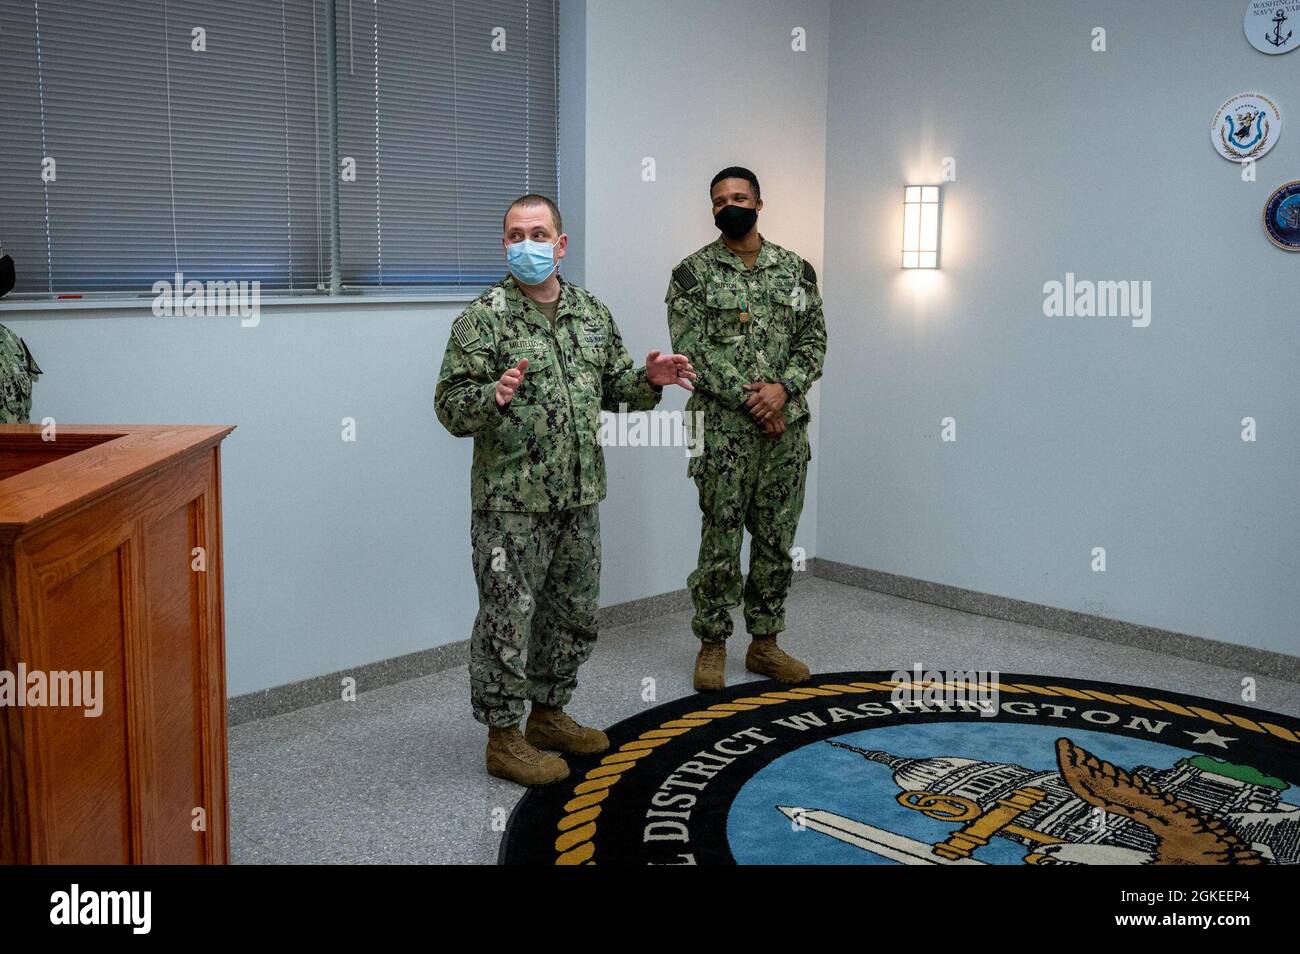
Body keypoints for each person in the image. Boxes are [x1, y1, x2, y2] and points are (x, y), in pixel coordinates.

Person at [436, 194, 695, 787]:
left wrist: (648, 381)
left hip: (580, 499)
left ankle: (548, 716)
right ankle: (503, 738)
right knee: (508, 620)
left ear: (561, 244)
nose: (526, 244)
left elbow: (616, 389)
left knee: (571, 615)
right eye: (514, 235)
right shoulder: (482, 319)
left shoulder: (592, 314)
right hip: (511, 506)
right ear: (504, 245)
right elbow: (449, 408)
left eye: (538, 232)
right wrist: (491, 397)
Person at [666, 166, 827, 691]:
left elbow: (814, 342)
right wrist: (758, 399)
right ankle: (712, 643)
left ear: (759, 202)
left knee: (778, 539)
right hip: (719, 431)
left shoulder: (797, 272)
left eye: (738, 197)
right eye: (718, 200)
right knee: (719, 537)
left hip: (785, 432)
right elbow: (694, 354)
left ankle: (764, 643)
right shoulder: (690, 275)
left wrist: (785, 388)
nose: (727, 205)